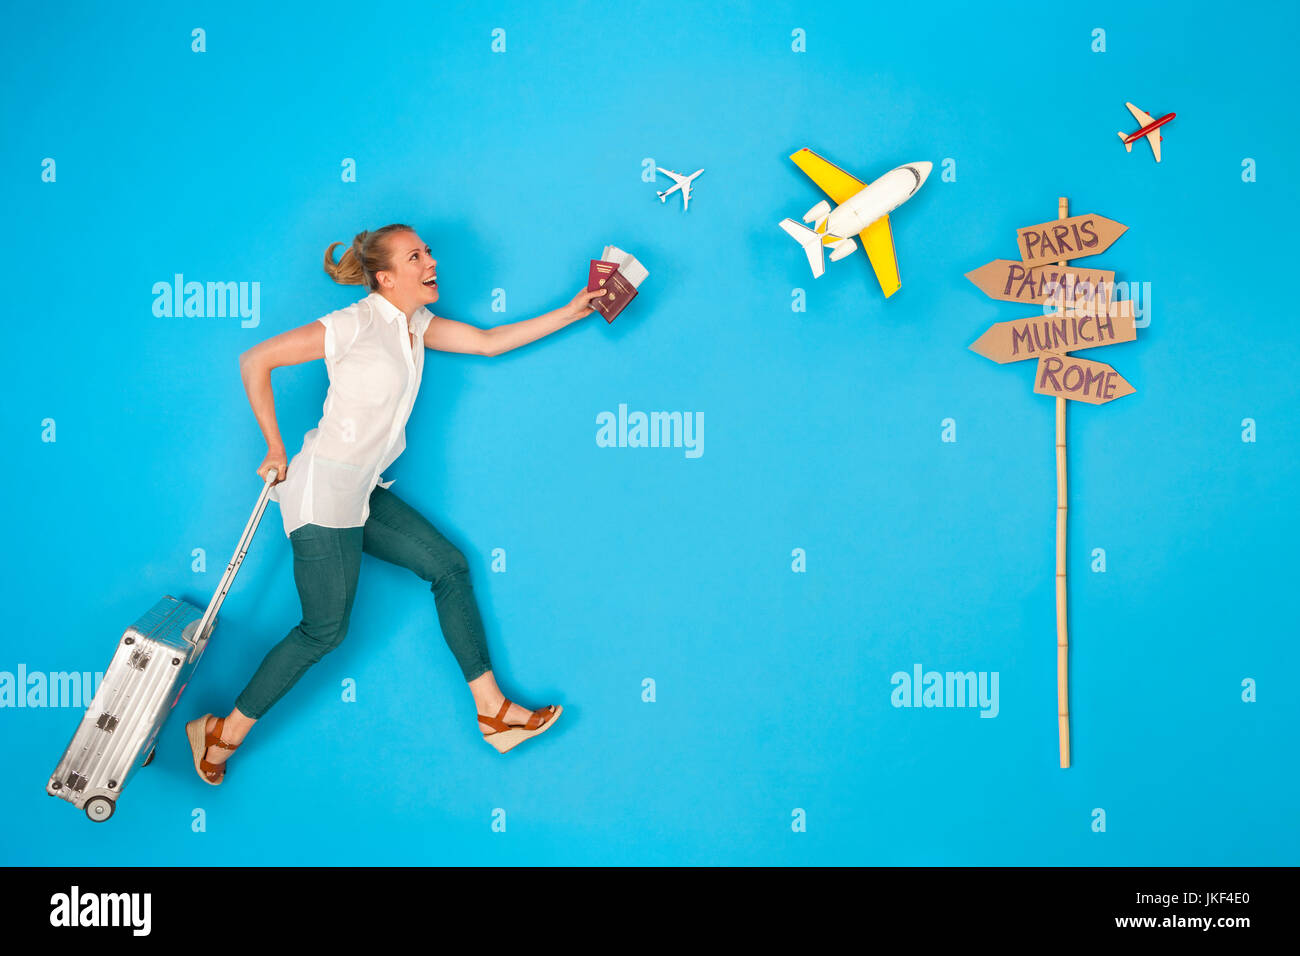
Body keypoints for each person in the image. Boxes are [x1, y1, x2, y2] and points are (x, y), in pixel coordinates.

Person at [185, 223, 606, 784]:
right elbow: (255, 360)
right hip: (321, 493)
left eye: (427, 252)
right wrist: (274, 444)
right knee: (324, 631)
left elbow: (487, 341)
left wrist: (575, 309)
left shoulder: (417, 325)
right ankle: (220, 733)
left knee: (449, 567)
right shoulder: (354, 324)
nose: (430, 261)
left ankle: (493, 712)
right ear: (385, 277)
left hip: (360, 491)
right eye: (416, 256)